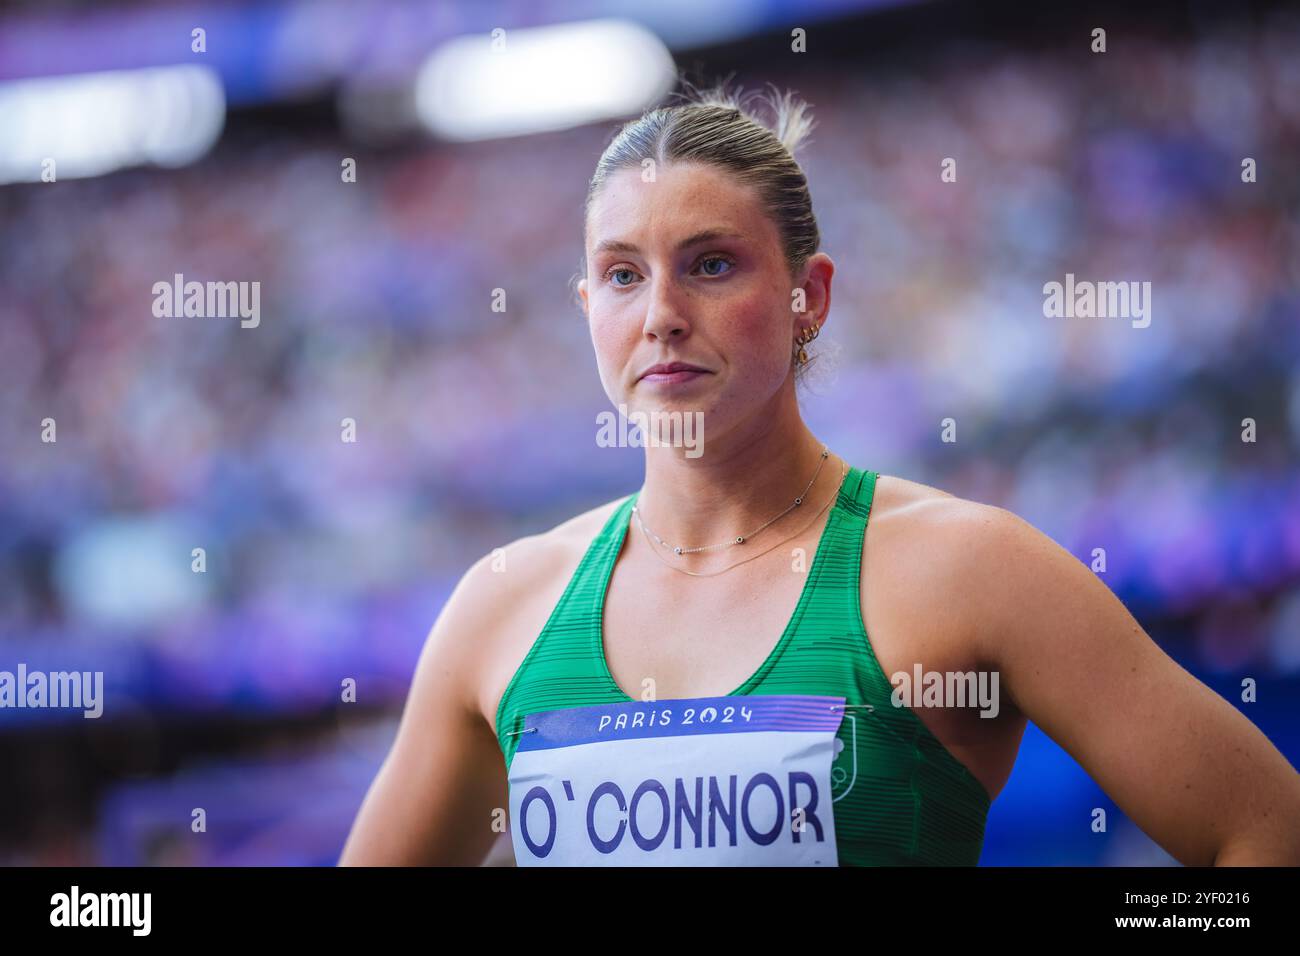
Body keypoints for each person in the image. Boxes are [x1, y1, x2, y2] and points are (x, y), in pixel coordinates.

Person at [340, 83, 1300, 867]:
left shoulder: (966, 570)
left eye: (711, 265)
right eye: (624, 275)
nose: (662, 314)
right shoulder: (502, 610)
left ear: (810, 296)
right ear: (588, 305)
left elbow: (1264, 830)